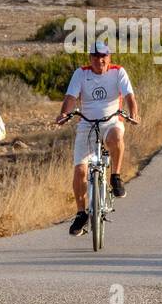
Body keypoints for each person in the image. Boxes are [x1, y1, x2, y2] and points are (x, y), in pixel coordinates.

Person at [54, 41, 140, 237]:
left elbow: (129, 97)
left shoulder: (118, 72)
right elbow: (70, 98)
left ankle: (116, 177)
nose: (99, 61)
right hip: (86, 124)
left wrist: (133, 113)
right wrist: (63, 114)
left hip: (111, 122)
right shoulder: (81, 73)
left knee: (117, 136)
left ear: (109, 58)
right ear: (89, 58)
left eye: (103, 57)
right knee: (80, 170)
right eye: (95, 57)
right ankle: (81, 213)